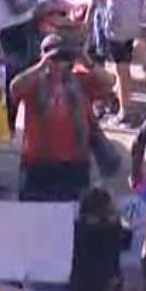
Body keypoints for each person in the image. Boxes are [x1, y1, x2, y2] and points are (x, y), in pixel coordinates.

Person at [10, 33, 97, 201]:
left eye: (62, 58)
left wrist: (85, 59)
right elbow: (15, 87)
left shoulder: (79, 78)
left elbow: (108, 82)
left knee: (72, 219)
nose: (58, 62)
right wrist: (42, 65)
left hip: (74, 162)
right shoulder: (34, 80)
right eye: (53, 56)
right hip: (38, 162)